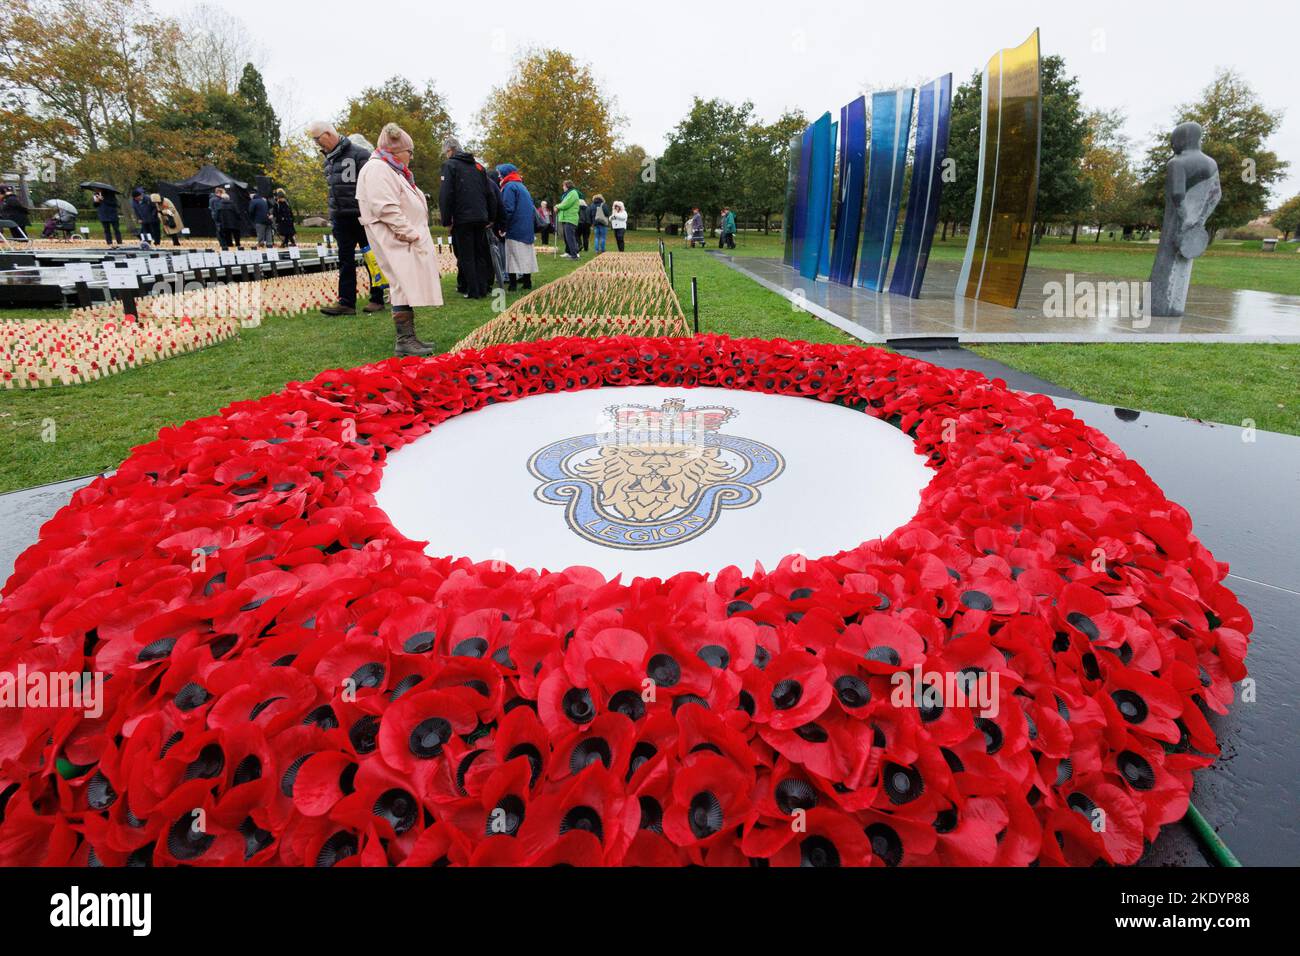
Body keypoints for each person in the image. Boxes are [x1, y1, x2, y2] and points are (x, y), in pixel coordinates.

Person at [356, 122, 441, 357]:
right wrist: (409, 233)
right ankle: (405, 340)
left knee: (404, 285)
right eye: (409, 152)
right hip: (394, 237)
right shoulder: (378, 169)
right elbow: (386, 208)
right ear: (396, 150)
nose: (411, 157)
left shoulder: (389, 168)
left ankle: (409, 338)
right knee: (400, 284)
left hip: (399, 238)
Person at [309, 120, 387, 315]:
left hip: (361, 216)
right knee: (345, 259)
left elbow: (372, 185)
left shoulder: (361, 155)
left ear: (327, 134)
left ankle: (378, 298)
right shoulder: (329, 159)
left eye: (317, 140)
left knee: (372, 258)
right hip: (340, 218)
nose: (318, 144)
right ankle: (346, 302)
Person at [438, 135, 499, 300]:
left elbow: (446, 194)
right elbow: (490, 193)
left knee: (466, 255)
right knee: (479, 253)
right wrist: (491, 216)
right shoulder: (478, 167)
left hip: (462, 217)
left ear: (450, 151)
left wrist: (446, 220)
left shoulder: (450, 165)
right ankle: (483, 287)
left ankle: (473, 290)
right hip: (481, 216)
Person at [496, 163, 539, 291]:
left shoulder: (509, 186)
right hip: (526, 226)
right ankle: (527, 282)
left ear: (505, 174)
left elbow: (508, 209)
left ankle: (513, 284)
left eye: (499, 173)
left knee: (512, 255)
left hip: (515, 226)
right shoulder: (521, 186)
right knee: (526, 254)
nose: (498, 176)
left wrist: (503, 226)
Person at [555, 181, 581, 259]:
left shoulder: (573, 193)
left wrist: (557, 206)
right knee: (567, 237)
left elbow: (566, 204)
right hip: (566, 218)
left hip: (570, 218)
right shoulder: (568, 194)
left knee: (570, 238)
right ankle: (571, 253)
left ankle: (574, 255)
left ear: (567, 186)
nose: (563, 187)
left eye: (563, 186)